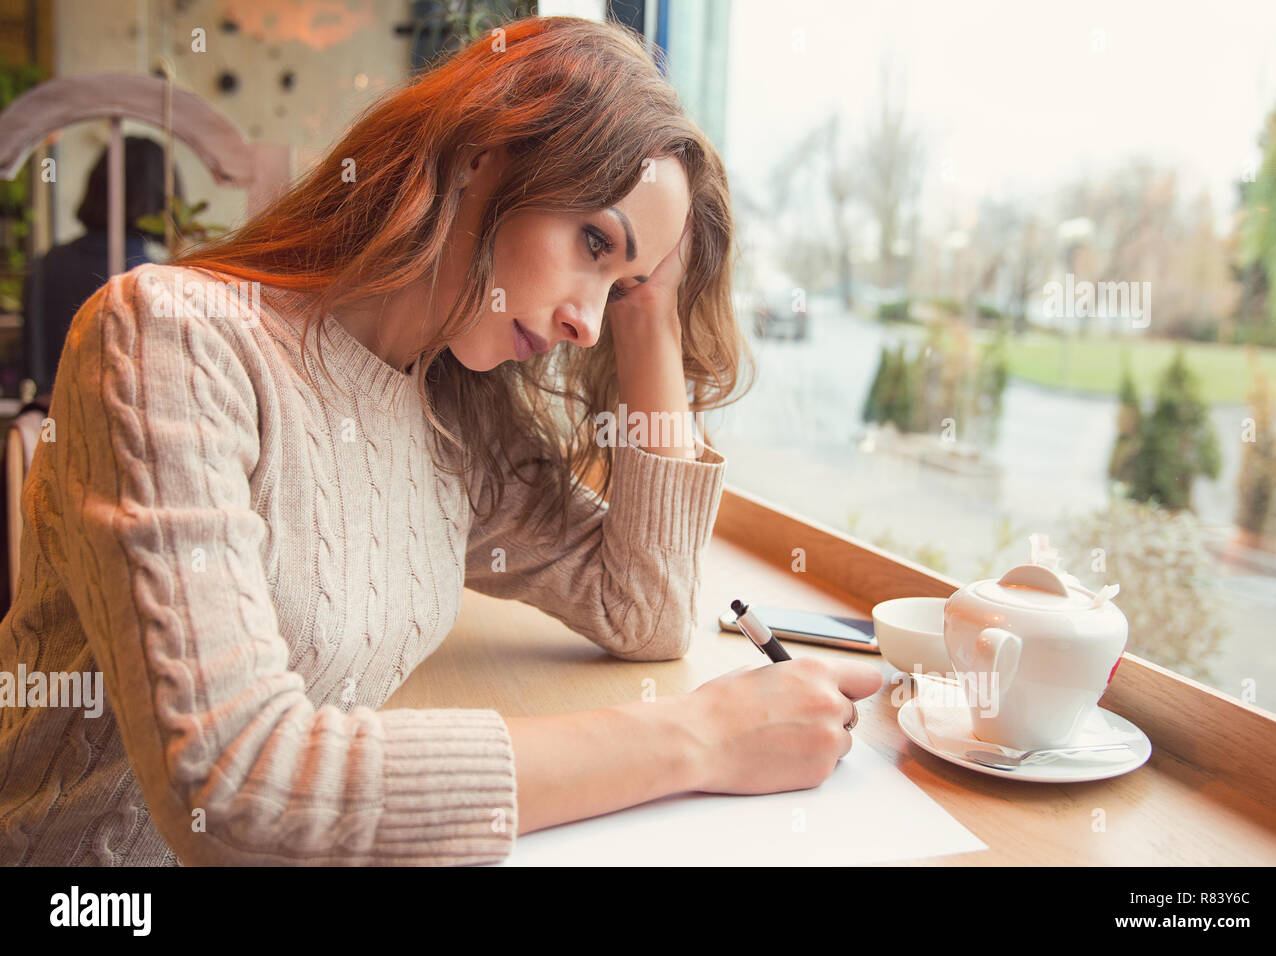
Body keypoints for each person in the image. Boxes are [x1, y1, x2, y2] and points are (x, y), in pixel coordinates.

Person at [0, 15, 881, 866]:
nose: (589, 323)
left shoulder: (453, 412)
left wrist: (652, 314)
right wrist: (696, 737)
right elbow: (236, 791)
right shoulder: (172, 340)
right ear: (480, 155)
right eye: (591, 242)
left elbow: (643, 609)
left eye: (621, 285)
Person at [20, 136, 177, 403]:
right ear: (161, 194)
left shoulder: (47, 264)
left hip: (52, 422)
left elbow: (33, 364)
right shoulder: (154, 278)